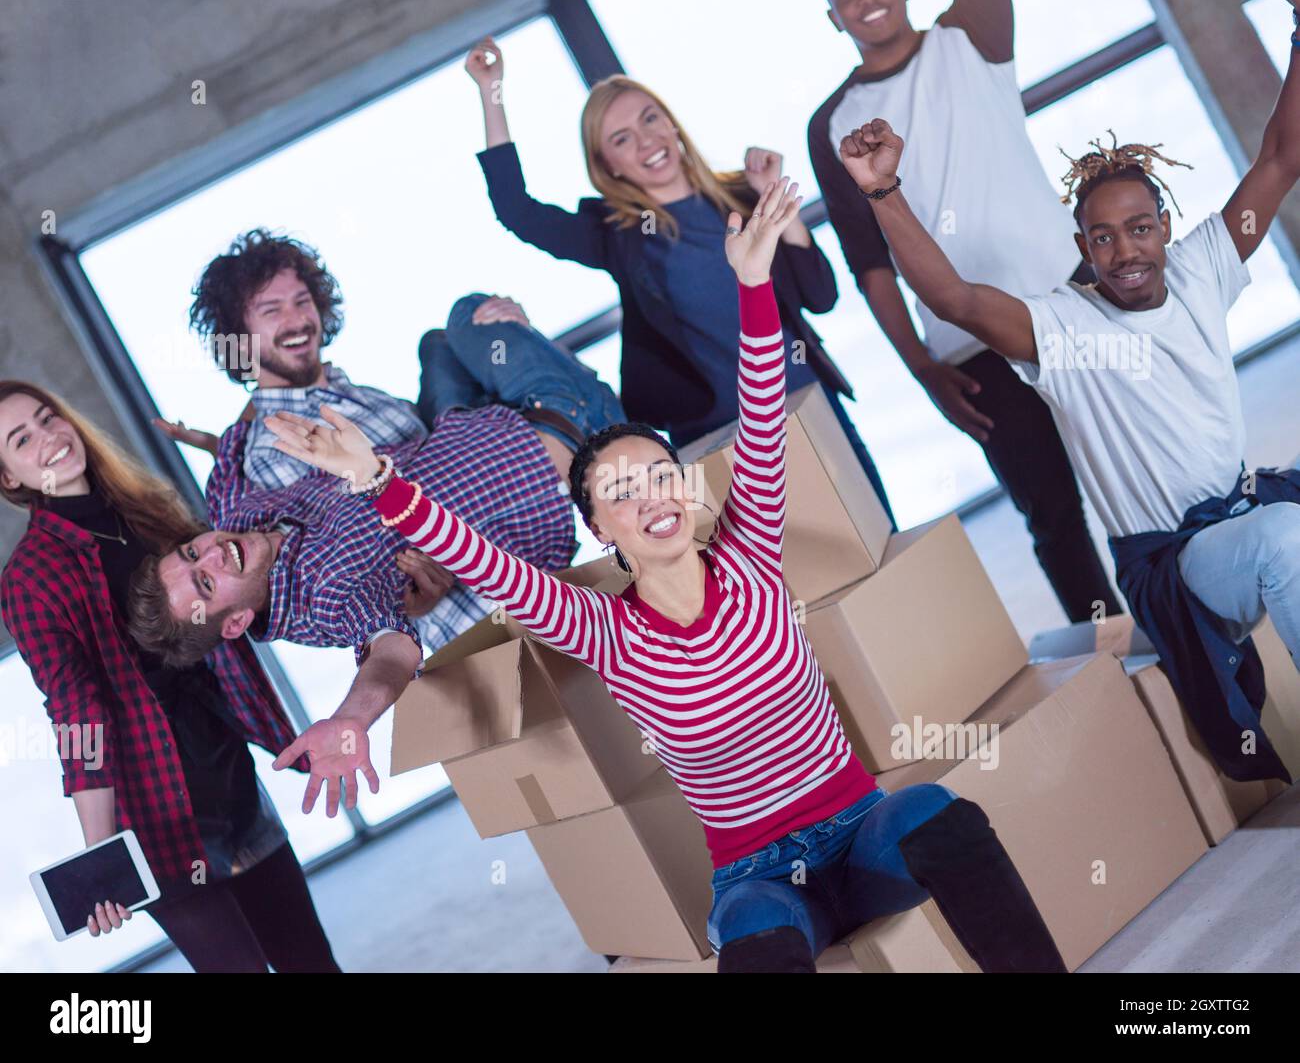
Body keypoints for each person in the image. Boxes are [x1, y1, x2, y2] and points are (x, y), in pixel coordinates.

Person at [264, 179, 1065, 974]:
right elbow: (479, 558)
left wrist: (752, 282)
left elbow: (759, 411)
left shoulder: (750, 551)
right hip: (758, 876)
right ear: (601, 529)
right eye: (620, 491)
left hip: (862, 832)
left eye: (659, 475)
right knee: (756, 939)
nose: (648, 495)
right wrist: (376, 480)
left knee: (937, 812)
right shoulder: (602, 630)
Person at [836, 0, 1300, 783]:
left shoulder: (1203, 267)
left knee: (1281, 527)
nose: (1126, 251)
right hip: (1178, 565)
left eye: (1141, 228)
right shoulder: (1058, 330)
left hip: (1241, 518)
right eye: (1104, 237)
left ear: (1165, 225)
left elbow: (1282, 157)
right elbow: (953, 299)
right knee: (1285, 537)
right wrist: (884, 194)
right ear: (1081, 245)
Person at [466, 36, 897, 526]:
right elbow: (517, 211)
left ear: (671, 123)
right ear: (608, 164)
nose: (646, 140)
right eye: (621, 138)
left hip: (807, 405)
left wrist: (773, 199)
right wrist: (491, 89)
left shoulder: (740, 192)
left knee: (874, 535)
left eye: (650, 119)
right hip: (717, 435)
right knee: (780, 584)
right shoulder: (620, 234)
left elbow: (821, 297)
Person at [0, 381, 339, 972]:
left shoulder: (145, 506)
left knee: (312, 963)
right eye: (20, 438)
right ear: (7, 477)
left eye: (48, 417)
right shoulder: (30, 578)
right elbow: (76, 709)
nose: (49, 437)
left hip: (231, 778)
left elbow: (239, 594)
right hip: (157, 820)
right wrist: (101, 850)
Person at [126, 385, 582, 816]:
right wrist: (351, 719)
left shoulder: (235, 513)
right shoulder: (326, 599)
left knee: (445, 337)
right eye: (205, 583)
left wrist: (206, 437)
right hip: (567, 460)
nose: (211, 554)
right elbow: (390, 650)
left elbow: (236, 439)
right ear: (235, 623)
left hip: (489, 411)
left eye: (190, 552)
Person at [808, 0, 1121, 623]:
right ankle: (1114, 657)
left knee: (1143, 469)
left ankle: (1201, 634)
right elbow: (869, 262)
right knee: (1053, 516)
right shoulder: (831, 124)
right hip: (969, 347)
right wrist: (922, 366)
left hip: (1075, 297)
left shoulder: (969, 34)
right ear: (831, 16)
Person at [159, 229, 625, 646]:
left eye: (302, 301)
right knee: (468, 318)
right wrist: (410, 604)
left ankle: (551, 382)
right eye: (272, 310)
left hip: (494, 444)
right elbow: (361, 555)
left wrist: (510, 336)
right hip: (527, 501)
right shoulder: (280, 446)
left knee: (441, 343)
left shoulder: (344, 392)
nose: (297, 319)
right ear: (240, 337)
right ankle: (588, 419)